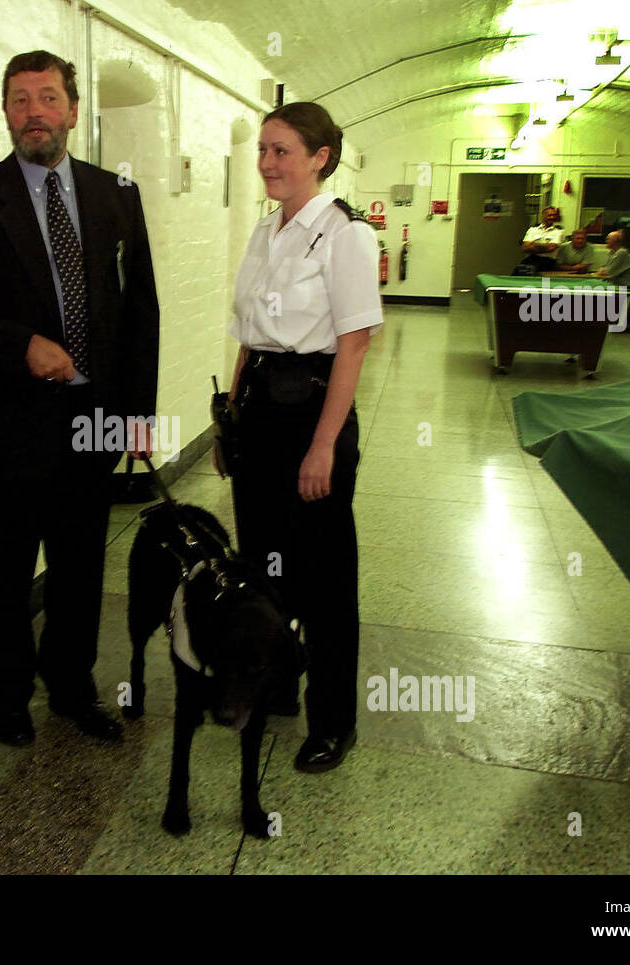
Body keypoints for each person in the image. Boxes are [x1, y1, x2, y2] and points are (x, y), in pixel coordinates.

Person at [0, 51, 159, 748]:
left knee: (80, 567)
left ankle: (70, 687)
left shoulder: (115, 193)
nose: (35, 111)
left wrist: (139, 412)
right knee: (5, 572)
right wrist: (20, 344)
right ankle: (8, 696)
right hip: (10, 423)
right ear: (5, 112)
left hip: (93, 420)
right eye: (20, 99)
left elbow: (140, 306)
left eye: (48, 97)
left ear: (72, 109)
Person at [224, 102, 383, 773]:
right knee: (263, 561)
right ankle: (274, 685)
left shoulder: (345, 234)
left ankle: (333, 720)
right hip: (260, 406)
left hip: (311, 410)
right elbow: (250, 336)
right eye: (262, 149)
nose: (266, 162)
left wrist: (324, 444)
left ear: (320, 157)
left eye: (282, 150)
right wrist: (231, 410)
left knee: (322, 574)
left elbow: (352, 345)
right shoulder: (267, 230)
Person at [520, 206, 564, 271]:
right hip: (531, 259)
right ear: (543, 216)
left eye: (554, 215)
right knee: (519, 271)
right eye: (550, 215)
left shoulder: (559, 231)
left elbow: (551, 248)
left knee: (544, 280)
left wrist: (534, 244)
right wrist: (545, 246)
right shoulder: (533, 229)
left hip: (548, 262)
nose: (552, 217)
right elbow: (525, 248)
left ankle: (545, 281)